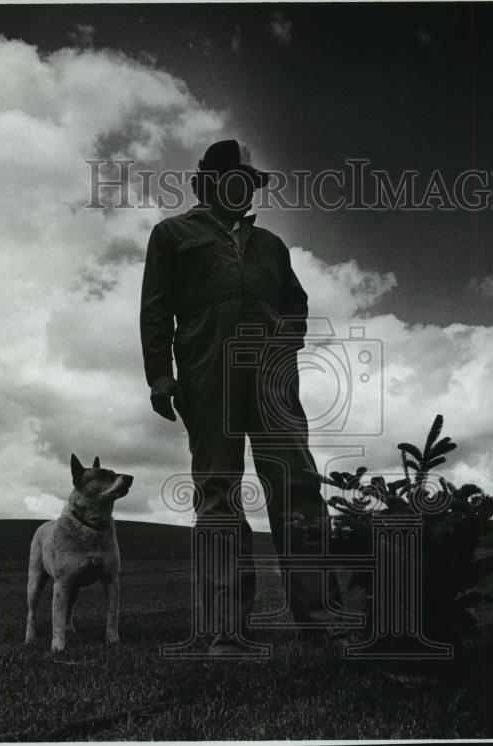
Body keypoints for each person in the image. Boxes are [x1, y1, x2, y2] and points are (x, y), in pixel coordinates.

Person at [140, 139, 344, 655]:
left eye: (250, 181)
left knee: (297, 484)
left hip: (273, 377)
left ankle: (321, 620)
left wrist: (285, 341)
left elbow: (295, 303)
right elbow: (156, 309)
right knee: (218, 492)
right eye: (234, 179)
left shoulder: (272, 245)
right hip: (207, 372)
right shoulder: (172, 234)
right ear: (207, 183)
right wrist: (160, 374)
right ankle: (228, 630)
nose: (245, 188)